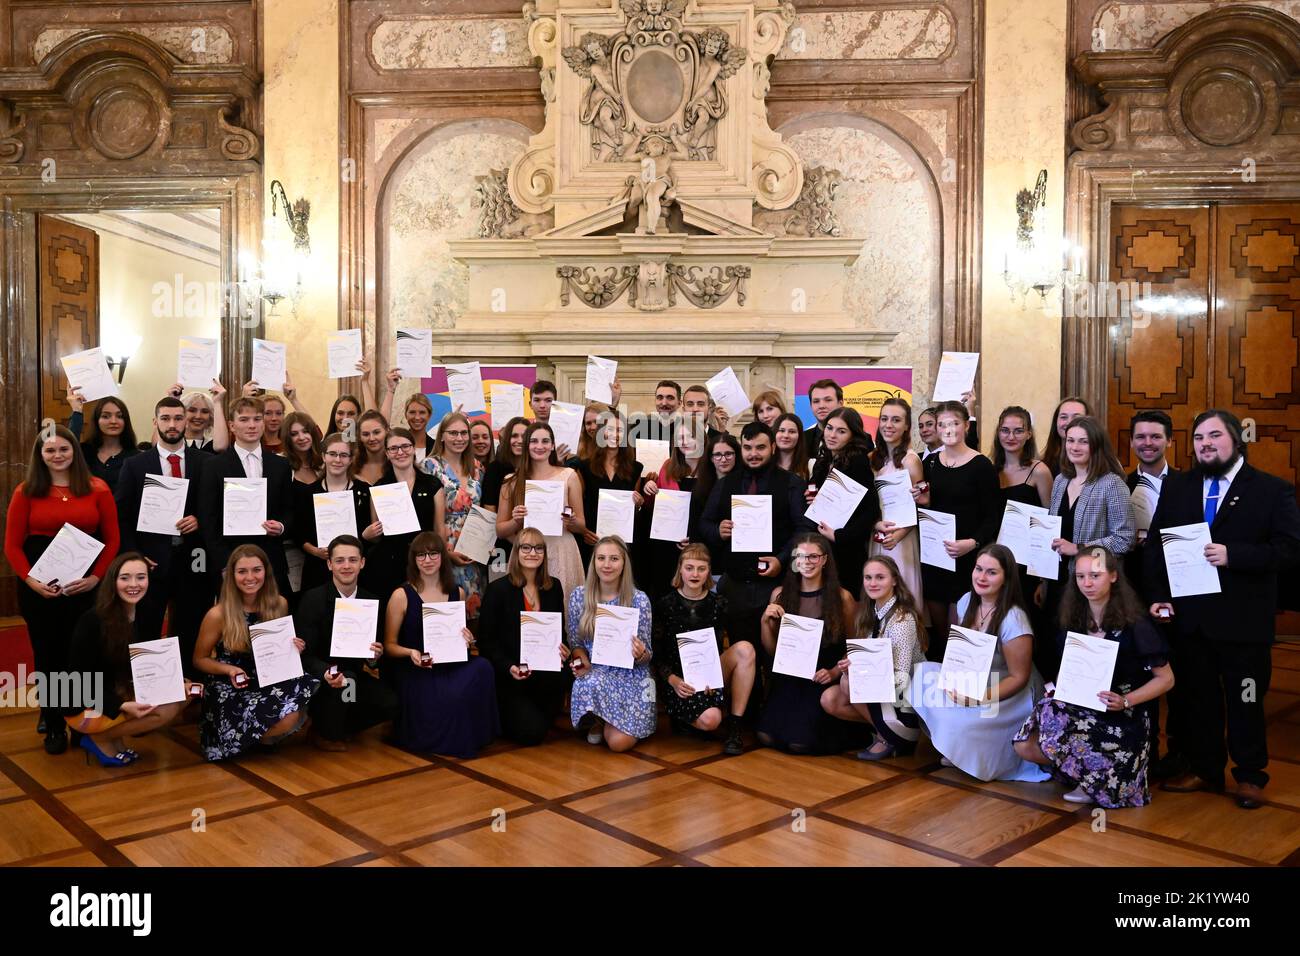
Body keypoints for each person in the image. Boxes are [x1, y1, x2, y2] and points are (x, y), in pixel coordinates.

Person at [1146, 409, 1300, 809]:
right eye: (1198, 438)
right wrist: (1159, 595)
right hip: (1192, 622)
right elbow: (1157, 547)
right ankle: (1206, 770)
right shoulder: (1179, 487)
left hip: (1243, 623)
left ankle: (1250, 775)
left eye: (1215, 436)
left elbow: (1289, 551)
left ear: (1236, 440)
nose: (1206, 444)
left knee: (1246, 700)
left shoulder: (1271, 490)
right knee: (1201, 702)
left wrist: (1235, 556)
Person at [1013, 547, 1174, 806]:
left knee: (1054, 737)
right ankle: (1089, 775)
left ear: (1113, 576)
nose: (1087, 583)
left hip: (1123, 715)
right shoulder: (1074, 618)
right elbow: (1070, 670)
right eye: (1080, 577)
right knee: (1025, 743)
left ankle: (1099, 779)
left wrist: (1126, 700)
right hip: (1083, 706)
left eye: (1095, 576)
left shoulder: (1137, 622)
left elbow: (1166, 679)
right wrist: (1056, 687)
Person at [5, 425, 120, 753]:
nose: (57, 456)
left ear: (74, 452)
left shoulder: (97, 488)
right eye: (50, 451)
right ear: (40, 456)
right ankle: (54, 723)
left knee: (85, 653)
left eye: (63, 450)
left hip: (85, 584)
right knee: (49, 653)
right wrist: (31, 582)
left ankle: (85, 722)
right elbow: (12, 546)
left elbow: (112, 540)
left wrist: (96, 578)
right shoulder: (26, 491)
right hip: (40, 587)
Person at [909, 544, 1050, 782]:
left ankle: (975, 752)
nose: (982, 577)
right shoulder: (965, 601)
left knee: (959, 723)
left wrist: (979, 697)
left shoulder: (1014, 619)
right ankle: (957, 748)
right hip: (975, 679)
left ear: (1006, 579)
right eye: (978, 569)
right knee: (922, 675)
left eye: (991, 572)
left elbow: (1019, 677)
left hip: (1009, 693)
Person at [194, 545, 319, 760]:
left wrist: (293, 647)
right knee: (280, 713)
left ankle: (252, 738)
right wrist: (229, 669)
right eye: (242, 571)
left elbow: (278, 647)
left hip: (266, 676)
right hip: (230, 682)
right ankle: (243, 738)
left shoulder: (279, 603)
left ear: (266, 572)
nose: (250, 577)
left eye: (256, 570)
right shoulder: (218, 614)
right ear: (232, 576)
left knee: (301, 696)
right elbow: (199, 660)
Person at [64, 553, 189, 766]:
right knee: (166, 709)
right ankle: (100, 738)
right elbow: (77, 683)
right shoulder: (92, 621)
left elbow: (142, 665)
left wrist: (172, 678)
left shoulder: (144, 614)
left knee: (184, 692)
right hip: (85, 702)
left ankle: (113, 736)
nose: (134, 584)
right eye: (125, 578)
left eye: (141, 577)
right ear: (113, 582)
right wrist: (121, 705)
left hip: (117, 689)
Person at [114, 396, 210, 668]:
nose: (172, 424)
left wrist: (200, 520)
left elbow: (217, 507)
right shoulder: (135, 465)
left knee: (190, 629)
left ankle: (189, 691)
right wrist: (135, 556)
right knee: (147, 629)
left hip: (195, 559)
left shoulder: (205, 461)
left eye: (178, 418)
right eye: (165, 419)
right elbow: (121, 516)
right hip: (151, 561)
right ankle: (149, 688)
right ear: (156, 422)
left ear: (186, 421)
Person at [382, 531, 498, 756]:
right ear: (413, 560)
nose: (427, 560)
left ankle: (478, 734)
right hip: (416, 668)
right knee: (452, 694)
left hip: (449, 663)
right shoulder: (401, 595)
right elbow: (389, 645)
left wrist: (467, 639)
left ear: (443, 557)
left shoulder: (458, 593)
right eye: (421, 555)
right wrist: (411, 653)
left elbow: (458, 638)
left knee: (483, 667)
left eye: (433, 554)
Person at [1041, 415, 1135, 679]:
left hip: (1090, 585)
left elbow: (1124, 538)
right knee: (1056, 650)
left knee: (1083, 658)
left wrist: (1080, 548)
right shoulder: (1060, 481)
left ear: (1096, 445)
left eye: (1083, 441)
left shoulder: (1112, 484)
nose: (1075, 447)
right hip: (1056, 580)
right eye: (1070, 440)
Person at [701, 422, 806, 652]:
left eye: (760, 447)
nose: (753, 454)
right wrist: (718, 530)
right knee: (742, 651)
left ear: (773, 447)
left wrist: (781, 559)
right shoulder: (725, 483)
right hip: (735, 586)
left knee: (777, 656)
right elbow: (704, 524)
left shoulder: (792, 483)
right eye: (748, 448)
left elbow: (803, 530)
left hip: (776, 586)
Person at [757, 533, 865, 754]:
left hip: (822, 676)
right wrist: (765, 622)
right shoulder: (780, 594)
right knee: (765, 736)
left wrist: (834, 672)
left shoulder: (842, 597)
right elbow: (772, 650)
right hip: (792, 676)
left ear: (825, 560)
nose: (806, 562)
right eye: (800, 556)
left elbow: (855, 647)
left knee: (800, 743)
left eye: (813, 557)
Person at [293, 535, 397, 751]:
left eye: (352, 560)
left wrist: (374, 657)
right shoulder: (313, 600)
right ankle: (324, 731)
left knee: (390, 702)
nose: (346, 566)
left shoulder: (372, 601)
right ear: (329, 564)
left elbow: (374, 657)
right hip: (320, 680)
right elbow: (303, 656)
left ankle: (338, 728)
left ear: (362, 563)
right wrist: (325, 672)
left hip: (353, 677)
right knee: (346, 680)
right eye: (340, 560)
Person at [1124, 409, 1183, 777]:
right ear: (1131, 442)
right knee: (1139, 672)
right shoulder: (1119, 484)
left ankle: (1179, 752)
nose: (1148, 443)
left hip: (1178, 593)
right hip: (1133, 595)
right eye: (1141, 437)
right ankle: (1145, 752)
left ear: (1169, 441)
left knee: (1181, 674)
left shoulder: (1188, 484)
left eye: (1155, 436)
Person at [820, 556, 925, 759]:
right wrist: (852, 665)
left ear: (894, 580)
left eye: (880, 577)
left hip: (905, 698)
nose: (873, 583)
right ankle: (890, 733)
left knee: (849, 683)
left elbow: (901, 678)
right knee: (830, 699)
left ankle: (893, 736)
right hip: (883, 690)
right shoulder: (872, 612)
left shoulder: (902, 619)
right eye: (868, 577)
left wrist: (860, 673)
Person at [919, 400, 1001, 659]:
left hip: (968, 558)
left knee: (962, 630)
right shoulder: (931, 464)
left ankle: (964, 681)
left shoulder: (981, 466)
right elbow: (932, 506)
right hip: (935, 557)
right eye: (942, 424)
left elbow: (993, 517)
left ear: (966, 425)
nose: (948, 429)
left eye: (954, 423)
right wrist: (923, 501)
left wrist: (972, 543)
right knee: (940, 631)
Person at [476, 527, 572, 745]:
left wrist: (563, 648)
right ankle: (502, 713)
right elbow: (486, 642)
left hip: (543, 672)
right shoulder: (497, 590)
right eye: (526, 547)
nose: (532, 553)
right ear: (516, 552)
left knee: (568, 674)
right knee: (532, 733)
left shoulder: (553, 587)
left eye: (538, 548)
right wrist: (509, 666)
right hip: (512, 674)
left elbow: (560, 633)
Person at [653, 545, 752, 755]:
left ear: (709, 571)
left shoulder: (719, 603)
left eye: (701, 568)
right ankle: (683, 719)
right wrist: (673, 680)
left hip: (708, 678)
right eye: (689, 568)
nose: (695, 574)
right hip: (678, 681)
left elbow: (724, 649)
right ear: (680, 569)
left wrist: (715, 680)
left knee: (746, 649)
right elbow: (657, 654)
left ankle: (735, 726)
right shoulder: (665, 604)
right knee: (711, 719)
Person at [199, 395, 295, 596]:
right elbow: (208, 520)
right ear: (232, 426)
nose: (252, 425)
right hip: (232, 560)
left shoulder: (281, 465)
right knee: (235, 624)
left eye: (257, 419)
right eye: (244, 420)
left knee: (276, 621)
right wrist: (225, 564)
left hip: (271, 559)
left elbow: (289, 509)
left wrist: (282, 526)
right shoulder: (213, 466)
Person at [567, 536, 656, 751]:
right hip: (597, 672)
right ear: (594, 562)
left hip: (632, 675)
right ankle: (598, 719)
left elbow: (648, 656)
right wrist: (581, 660)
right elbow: (575, 643)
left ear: (624, 563)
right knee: (589, 682)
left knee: (618, 744)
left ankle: (606, 721)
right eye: (601, 558)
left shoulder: (639, 599)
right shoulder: (579, 596)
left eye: (614, 558)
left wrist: (640, 652)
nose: (607, 565)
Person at [496, 422, 587, 602]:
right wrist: (515, 521)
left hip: (562, 550)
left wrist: (572, 521)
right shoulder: (511, 481)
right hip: (527, 553)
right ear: (527, 445)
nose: (539, 446)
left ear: (552, 445)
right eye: (534, 441)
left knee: (561, 609)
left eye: (545, 441)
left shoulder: (569, 475)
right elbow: (500, 530)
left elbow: (582, 525)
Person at [362, 426, 442, 598]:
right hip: (389, 564)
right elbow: (377, 534)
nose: (400, 452)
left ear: (413, 449)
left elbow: (439, 530)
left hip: (425, 562)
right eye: (393, 448)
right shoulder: (379, 488)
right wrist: (368, 534)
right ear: (387, 453)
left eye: (405, 446)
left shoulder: (432, 485)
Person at [805, 407, 877, 599]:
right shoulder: (824, 460)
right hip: (821, 546)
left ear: (853, 435)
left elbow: (870, 511)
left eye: (841, 431)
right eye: (829, 428)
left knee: (844, 604)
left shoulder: (858, 463)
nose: (832, 435)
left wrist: (840, 536)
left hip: (846, 551)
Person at [295, 432, 376, 595]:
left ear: (351, 459)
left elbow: (374, 536)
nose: (337, 460)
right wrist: (315, 551)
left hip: (355, 571)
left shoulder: (365, 492)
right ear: (324, 456)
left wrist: (365, 536)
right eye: (332, 454)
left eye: (343, 455)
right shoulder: (307, 493)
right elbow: (298, 533)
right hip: (318, 570)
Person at [868, 398, 925, 611]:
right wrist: (875, 523)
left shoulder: (911, 461)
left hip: (901, 538)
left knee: (901, 592)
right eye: (884, 419)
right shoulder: (872, 458)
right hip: (878, 535)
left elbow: (921, 504)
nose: (888, 425)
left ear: (906, 426)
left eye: (896, 420)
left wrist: (900, 533)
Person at [427, 412, 486, 618]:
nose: (459, 438)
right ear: (441, 436)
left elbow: (484, 511)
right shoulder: (430, 466)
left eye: (463, 433)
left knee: (475, 608)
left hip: (474, 549)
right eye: (453, 433)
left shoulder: (477, 467)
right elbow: (431, 515)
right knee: (448, 609)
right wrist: (446, 552)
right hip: (443, 547)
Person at [575, 412, 644, 567]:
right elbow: (577, 505)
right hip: (592, 538)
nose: (615, 435)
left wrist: (639, 504)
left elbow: (634, 508)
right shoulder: (584, 467)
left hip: (623, 542)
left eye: (620, 430)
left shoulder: (635, 468)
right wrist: (584, 532)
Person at [66, 394, 140, 492]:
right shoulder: (84, 452)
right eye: (105, 416)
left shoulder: (136, 457)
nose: (113, 421)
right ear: (97, 420)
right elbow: (68, 446)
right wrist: (77, 410)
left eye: (119, 416)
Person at [1040, 396, 1091, 479]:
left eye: (1076, 417)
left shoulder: (1103, 463)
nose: (1069, 422)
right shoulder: (1045, 462)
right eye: (1063, 417)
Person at [181, 383, 229, 452]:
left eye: (204, 411)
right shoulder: (174, 444)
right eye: (192, 410)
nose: (198, 416)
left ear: (211, 417)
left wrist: (217, 401)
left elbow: (220, 447)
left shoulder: (213, 445)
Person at [283, 412, 324, 484]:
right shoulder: (280, 464)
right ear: (287, 438)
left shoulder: (323, 463)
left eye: (305, 431)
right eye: (294, 434)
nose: (301, 438)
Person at [353, 410, 390, 485]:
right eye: (366, 434)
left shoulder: (396, 463)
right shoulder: (351, 465)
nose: (372, 438)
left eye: (376, 432)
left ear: (387, 431)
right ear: (359, 436)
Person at [772, 412, 811, 481]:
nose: (786, 435)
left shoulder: (810, 465)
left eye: (792, 432)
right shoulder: (765, 465)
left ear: (799, 436)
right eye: (781, 430)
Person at [402, 393, 435, 465]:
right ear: (406, 415)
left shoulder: (436, 447)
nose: (417, 417)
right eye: (412, 412)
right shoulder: (397, 444)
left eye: (422, 412)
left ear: (429, 415)